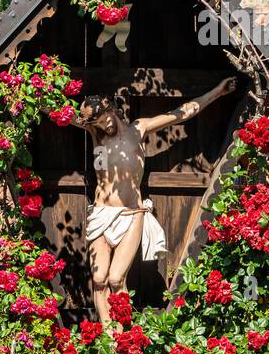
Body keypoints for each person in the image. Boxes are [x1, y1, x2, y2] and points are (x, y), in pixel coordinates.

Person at [75, 76, 238, 324]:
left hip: (130, 214)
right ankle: (108, 337)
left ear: (110, 108)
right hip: (101, 214)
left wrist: (218, 90)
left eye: (103, 118)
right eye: (95, 122)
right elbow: (58, 113)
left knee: (117, 279)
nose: (102, 125)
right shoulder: (96, 136)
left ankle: (124, 339)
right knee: (99, 281)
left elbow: (181, 113)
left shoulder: (137, 129)